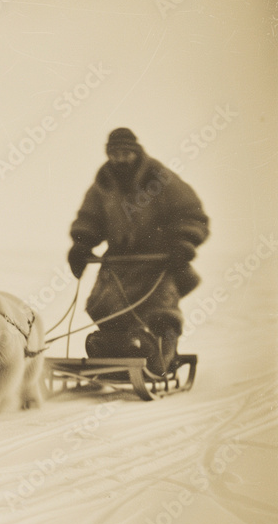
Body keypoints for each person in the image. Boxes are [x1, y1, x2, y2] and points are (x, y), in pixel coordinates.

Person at [67, 127, 209, 374]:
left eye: (125, 153)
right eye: (114, 154)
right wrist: (81, 245)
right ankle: (117, 353)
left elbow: (190, 213)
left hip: (159, 261)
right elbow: (90, 217)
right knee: (106, 309)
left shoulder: (159, 178)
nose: (120, 159)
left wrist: (183, 243)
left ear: (136, 151)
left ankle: (160, 357)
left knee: (160, 313)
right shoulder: (103, 184)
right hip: (119, 262)